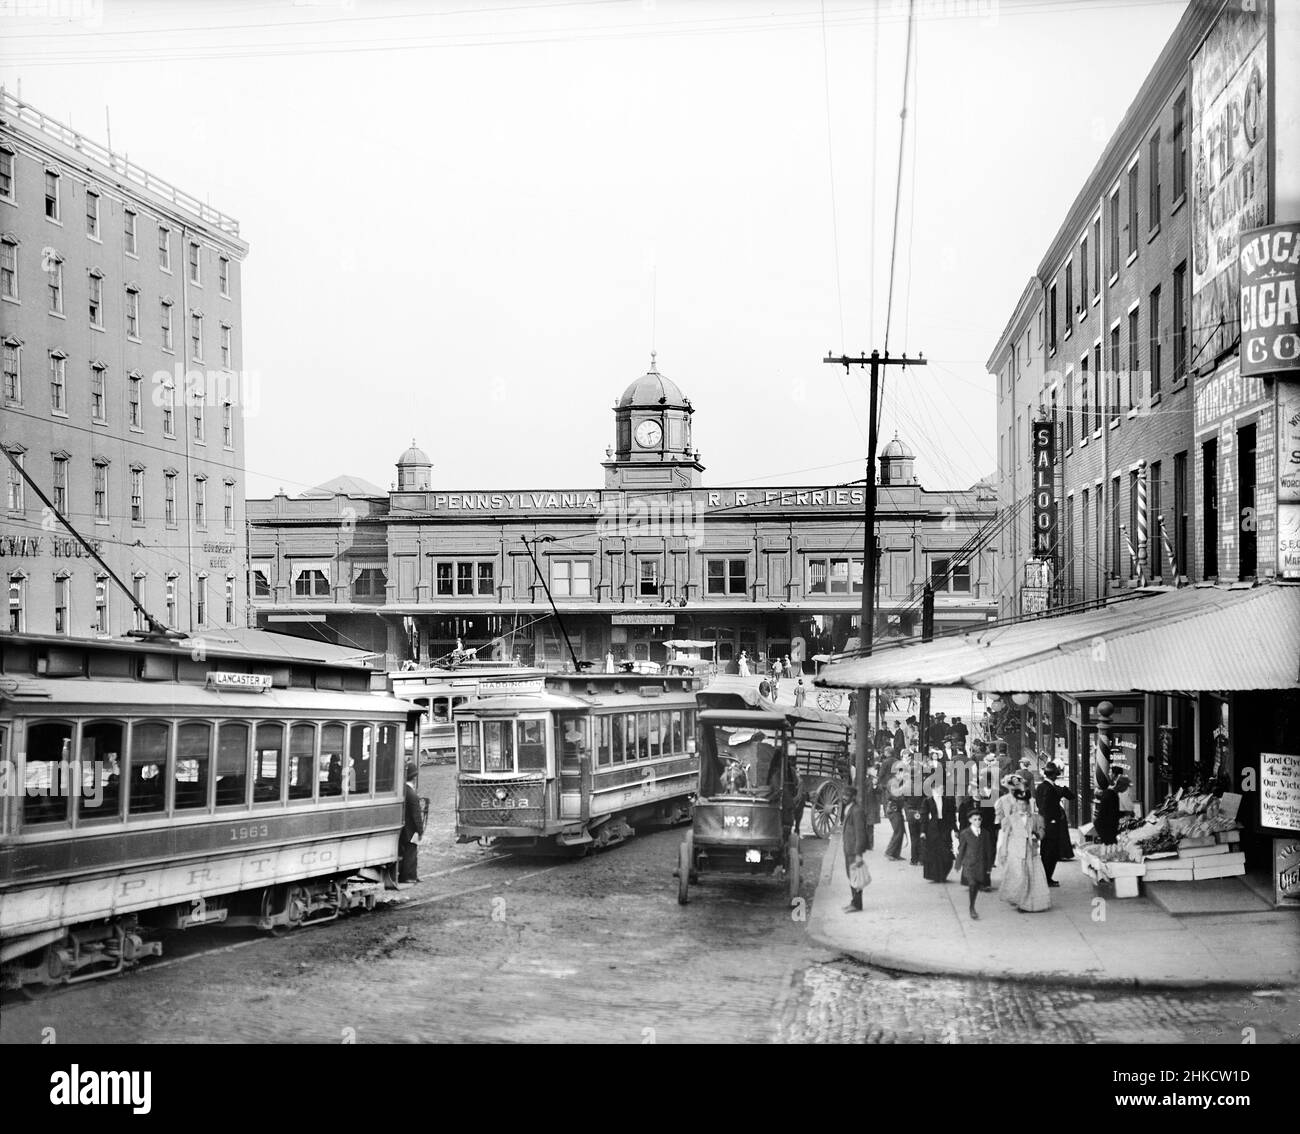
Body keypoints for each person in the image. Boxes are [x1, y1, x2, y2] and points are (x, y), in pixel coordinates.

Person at [999, 790, 1051, 912]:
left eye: (1024, 804)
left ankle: (1025, 903)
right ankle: (1017, 899)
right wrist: (1004, 852)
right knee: (1018, 877)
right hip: (1015, 852)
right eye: (1019, 804)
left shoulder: (1035, 818)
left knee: (1030, 876)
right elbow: (1005, 837)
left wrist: (1037, 835)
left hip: (1030, 851)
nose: (1022, 806)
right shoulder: (1010, 819)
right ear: (1015, 804)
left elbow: (1042, 831)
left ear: (1028, 804)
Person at [1034, 762, 1075, 887]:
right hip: (1052, 824)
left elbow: (1040, 805)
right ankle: (1048, 878)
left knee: (1045, 851)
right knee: (1051, 853)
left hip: (1043, 823)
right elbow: (1071, 796)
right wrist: (1051, 820)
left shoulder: (1040, 787)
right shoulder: (1052, 789)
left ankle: (1045, 877)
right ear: (1054, 776)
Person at [955, 809, 990, 919]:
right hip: (969, 864)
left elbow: (988, 851)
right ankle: (972, 908)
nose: (978, 821)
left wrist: (989, 866)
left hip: (981, 865)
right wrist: (958, 864)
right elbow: (961, 849)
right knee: (972, 884)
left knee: (977, 886)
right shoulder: (965, 833)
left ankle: (972, 904)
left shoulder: (985, 833)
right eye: (975, 819)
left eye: (979, 819)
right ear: (970, 820)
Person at [841, 785, 870, 913]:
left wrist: (859, 854)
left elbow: (860, 834)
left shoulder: (857, 811)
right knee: (851, 876)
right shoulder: (849, 808)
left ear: (853, 797)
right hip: (848, 849)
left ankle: (857, 904)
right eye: (844, 795)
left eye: (847, 795)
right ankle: (854, 902)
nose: (844, 797)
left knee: (856, 877)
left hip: (853, 850)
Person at [920, 783, 956, 882]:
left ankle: (944, 874)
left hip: (944, 827)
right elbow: (924, 817)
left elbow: (951, 817)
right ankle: (935, 876)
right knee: (934, 852)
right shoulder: (927, 801)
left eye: (943, 789)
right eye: (940, 788)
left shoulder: (947, 801)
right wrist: (923, 831)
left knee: (946, 851)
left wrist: (955, 829)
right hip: (932, 828)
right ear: (933, 789)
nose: (942, 790)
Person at [398, 762, 424, 885]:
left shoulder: (403, 791)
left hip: (403, 828)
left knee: (406, 852)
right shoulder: (412, 795)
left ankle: (409, 875)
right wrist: (420, 830)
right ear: (414, 777)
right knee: (411, 852)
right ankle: (409, 876)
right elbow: (416, 815)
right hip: (411, 829)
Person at [1094, 773, 1129, 846]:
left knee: (1110, 846)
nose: (1126, 789)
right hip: (1106, 827)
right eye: (1125, 787)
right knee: (1111, 847)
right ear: (1120, 785)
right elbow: (1113, 813)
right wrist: (1125, 813)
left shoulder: (1110, 793)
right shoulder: (1111, 795)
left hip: (1105, 826)